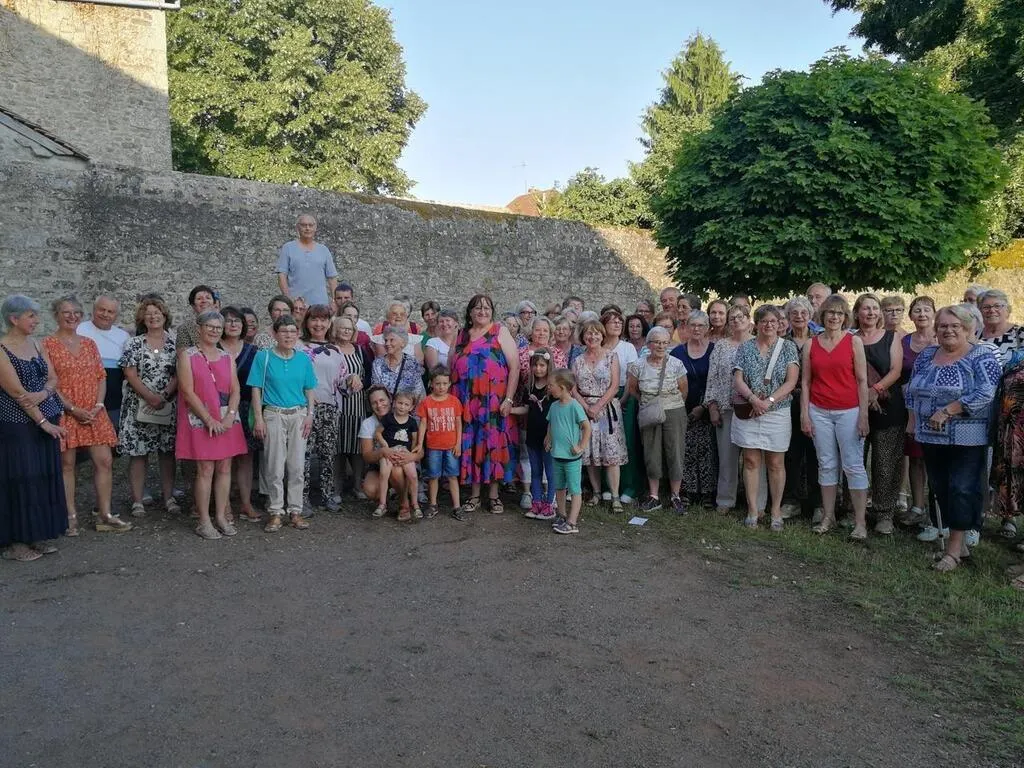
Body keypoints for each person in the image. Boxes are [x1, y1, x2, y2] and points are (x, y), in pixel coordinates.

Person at [906, 306, 1001, 572]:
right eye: (943, 326)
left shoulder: (981, 355)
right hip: (930, 434)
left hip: (967, 436)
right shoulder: (926, 355)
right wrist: (913, 420)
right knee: (940, 488)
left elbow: (986, 392)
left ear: (968, 329)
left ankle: (953, 551)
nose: (948, 330)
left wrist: (949, 410)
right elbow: (912, 389)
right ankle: (959, 545)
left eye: (954, 326)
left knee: (962, 488)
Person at [44, 296, 129, 536]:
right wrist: (72, 408)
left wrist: (98, 405)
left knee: (105, 461)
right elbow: (51, 382)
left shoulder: (89, 343)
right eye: (66, 312)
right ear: (56, 315)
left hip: (94, 410)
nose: (71, 317)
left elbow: (100, 376)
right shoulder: (47, 344)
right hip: (66, 410)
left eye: (75, 313)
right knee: (67, 464)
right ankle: (69, 515)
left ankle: (105, 514)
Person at [0, 295, 68, 561]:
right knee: (21, 480)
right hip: (18, 427)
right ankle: (15, 543)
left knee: (42, 479)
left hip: (47, 418)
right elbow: (17, 393)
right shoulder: (2, 349)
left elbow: (53, 378)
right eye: (30, 316)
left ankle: (36, 535)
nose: (36, 321)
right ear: (13, 319)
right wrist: (43, 422)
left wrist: (44, 393)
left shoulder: (37, 345)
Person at [800, 295, 870, 539]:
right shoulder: (811, 344)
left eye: (840, 314)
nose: (834, 317)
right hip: (819, 410)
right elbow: (806, 382)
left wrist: (864, 416)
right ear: (823, 315)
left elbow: (862, 380)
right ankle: (828, 516)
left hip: (849, 411)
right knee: (827, 463)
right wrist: (804, 414)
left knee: (853, 465)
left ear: (846, 317)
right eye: (830, 312)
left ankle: (860, 522)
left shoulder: (854, 342)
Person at [176, 310, 247, 539]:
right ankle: (204, 520)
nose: (215, 331)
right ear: (199, 329)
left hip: (227, 419)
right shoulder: (187, 355)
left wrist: (229, 416)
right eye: (210, 327)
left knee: (225, 468)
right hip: (202, 419)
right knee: (205, 469)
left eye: (219, 327)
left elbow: (235, 389)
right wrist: (209, 419)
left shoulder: (227, 357)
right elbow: (187, 391)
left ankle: (220, 516)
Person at [731, 305, 800, 531]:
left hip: (777, 412)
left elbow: (791, 382)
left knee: (775, 462)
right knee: (750, 461)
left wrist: (768, 402)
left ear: (779, 323)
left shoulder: (788, 347)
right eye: (764, 321)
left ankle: (776, 510)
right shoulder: (745, 347)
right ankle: (753, 509)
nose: (769, 325)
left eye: (773, 321)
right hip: (750, 410)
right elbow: (738, 378)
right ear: (756, 323)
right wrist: (753, 399)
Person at [450, 294, 519, 514]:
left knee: (492, 445)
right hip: (467, 402)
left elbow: (515, 367)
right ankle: (474, 495)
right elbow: (452, 367)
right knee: (473, 446)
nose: (482, 311)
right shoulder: (461, 335)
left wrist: (508, 399)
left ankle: (494, 496)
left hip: (494, 403)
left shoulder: (500, 331)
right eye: (477, 308)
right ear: (469, 313)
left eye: (487, 308)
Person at [249, 315, 318, 533]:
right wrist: (259, 418)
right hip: (274, 414)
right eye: (284, 331)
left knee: (297, 466)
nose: (288, 335)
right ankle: (276, 511)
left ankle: (295, 511)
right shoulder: (264, 357)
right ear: (275, 334)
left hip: (298, 414)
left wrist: (310, 414)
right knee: (274, 465)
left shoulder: (303, 359)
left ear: (297, 334)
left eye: (292, 331)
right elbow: (256, 388)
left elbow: (309, 388)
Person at [120, 297, 179, 518]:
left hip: (167, 402)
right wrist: (149, 396)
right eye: (149, 313)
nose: (153, 316)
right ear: (142, 318)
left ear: (165, 317)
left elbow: (179, 372)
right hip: (138, 404)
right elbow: (129, 373)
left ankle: (169, 497)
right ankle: (137, 501)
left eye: (158, 313)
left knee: (167, 453)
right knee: (138, 454)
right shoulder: (134, 343)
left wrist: (163, 395)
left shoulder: (175, 342)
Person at [853, 293, 905, 534]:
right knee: (855, 461)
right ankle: (855, 510)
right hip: (855, 407)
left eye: (875, 308)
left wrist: (875, 390)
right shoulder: (850, 339)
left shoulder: (892, 337)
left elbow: (895, 370)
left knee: (885, 462)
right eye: (866, 309)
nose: (871, 313)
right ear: (857, 313)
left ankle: (884, 513)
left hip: (888, 405)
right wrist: (864, 396)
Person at [627, 326, 689, 514]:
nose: (661, 346)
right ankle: (654, 496)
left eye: (664, 342)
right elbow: (632, 389)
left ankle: (675, 495)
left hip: (674, 410)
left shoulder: (676, 364)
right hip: (649, 412)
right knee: (651, 452)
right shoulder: (637, 365)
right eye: (657, 342)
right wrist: (649, 404)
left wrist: (669, 404)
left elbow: (683, 389)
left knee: (675, 452)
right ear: (649, 344)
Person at [704, 303, 757, 515]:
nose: (736, 320)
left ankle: (758, 503)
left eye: (741, 317)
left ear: (749, 320)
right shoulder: (722, 346)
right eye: (733, 317)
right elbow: (712, 377)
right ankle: (725, 500)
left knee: (754, 458)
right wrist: (712, 406)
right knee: (727, 457)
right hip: (726, 407)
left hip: (753, 409)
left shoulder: (758, 345)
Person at [573, 320, 628, 512]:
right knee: (590, 451)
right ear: (583, 337)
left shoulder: (611, 357)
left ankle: (614, 496)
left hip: (605, 412)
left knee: (610, 451)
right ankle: (596, 492)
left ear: (602, 335)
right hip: (585, 411)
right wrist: (586, 407)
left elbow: (614, 386)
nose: (592, 337)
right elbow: (573, 388)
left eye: (596, 333)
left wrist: (597, 406)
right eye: (588, 333)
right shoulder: (578, 360)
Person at [300, 305, 348, 513]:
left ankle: (327, 494)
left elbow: (340, 379)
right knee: (304, 455)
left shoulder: (336, 349)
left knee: (327, 454)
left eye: (323, 320)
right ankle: (301, 499)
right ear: (307, 322)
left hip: (330, 408)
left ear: (329, 323)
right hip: (305, 408)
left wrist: (351, 380)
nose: (318, 324)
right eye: (314, 319)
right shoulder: (298, 347)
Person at [671, 310, 717, 509]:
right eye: (693, 325)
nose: (697, 329)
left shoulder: (715, 350)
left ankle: (708, 492)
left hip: (709, 408)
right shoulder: (677, 352)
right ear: (687, 328)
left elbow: (719, 381)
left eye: (701, 325)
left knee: (708, 451)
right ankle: (687, 489)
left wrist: (704, 406)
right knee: (686, 449)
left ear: (707, 328)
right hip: (683, 408)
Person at [218, 306, 261, 523]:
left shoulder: (252, 352)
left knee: (246, 458)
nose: (233, 324)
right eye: (228, 320)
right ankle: (224, 506)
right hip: (219, 409)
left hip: (245, 407)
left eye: (237, 320)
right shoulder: (213, 348)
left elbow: (257, 386)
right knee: (223, 459)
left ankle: (245, 503)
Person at [782, 296, 821, 519]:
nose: (799, 316)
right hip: (788, 403)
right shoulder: (782, 342)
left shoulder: (819, 340)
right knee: (791, 453)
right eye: (794, 313)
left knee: (816, 453)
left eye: (803, 312)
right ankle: (791, 500)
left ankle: (818, 503)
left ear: (810, 315)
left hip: (816, 401)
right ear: (788, 317)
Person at [358, 386, 422, 518]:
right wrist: (383, 451)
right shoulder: (368, 423)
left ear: (390, 400)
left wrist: (411, 456)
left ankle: (404, 504)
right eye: (374, 402)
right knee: (369, 489)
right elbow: (367, 456)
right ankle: (387, 498)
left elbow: (421, 451)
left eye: (382, 400)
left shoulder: (410, 420)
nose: (379, 405)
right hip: (380, 464)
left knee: (397, 470)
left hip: (403, 461)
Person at [601, 307, 641, 503]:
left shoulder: (628, 348)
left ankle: (629, 486)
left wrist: (622, 400)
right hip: (600, 398)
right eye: (612, 321)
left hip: (625, 396)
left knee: (626, 441)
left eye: (619, 321)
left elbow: (632, 378)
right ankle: (607, 486)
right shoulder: (598, 346)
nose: (617, 324)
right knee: (604, 441)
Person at [511, 349, 556, 521]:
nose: (538, 369)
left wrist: (550, 435)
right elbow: (527, 408)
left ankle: (549, 504)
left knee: (550, 472)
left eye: (542, 365)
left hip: (548, 436)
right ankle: (536, 502)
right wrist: (510, 410)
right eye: (535, 365)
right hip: (532, 435)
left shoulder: (552, 389)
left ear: (548, 365)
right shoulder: (529, 387)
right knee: (535, 471)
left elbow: (556, 413)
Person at [546, 369, 591, 535]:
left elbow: (587, 427)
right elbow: (551, 423)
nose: (549, 388)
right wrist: (548, 438)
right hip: (557, 455)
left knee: (574, 489)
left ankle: (572, 522)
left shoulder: (574, 406)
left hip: (572, 458)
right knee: (559, 487)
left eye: (551, 385)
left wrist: (581, 446)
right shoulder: (554, 406)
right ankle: (562, 515)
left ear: (563, 387)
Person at [332, 315, 371, 499]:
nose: (346, 331)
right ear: (335, 329)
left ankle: (357, 485)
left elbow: (369, 375)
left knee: (357, 448)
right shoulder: (330, 349)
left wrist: (361, 381)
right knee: (338, 447)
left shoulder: (360, 350)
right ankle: (336, 488)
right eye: (343, 328)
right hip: (338, 404)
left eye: (349, 328)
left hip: (357, 405)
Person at [416, 367, 463, 519]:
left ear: (449, 384)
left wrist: (458, 444)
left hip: (451, 446)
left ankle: (457, 506)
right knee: (433, 476)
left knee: (452, 476)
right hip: (433, 447)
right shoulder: (426, 402)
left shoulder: (454, 401)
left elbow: (458, 423)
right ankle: (433, 504)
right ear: (431, 384)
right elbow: (423, 424)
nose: (441, 387)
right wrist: (419, 443)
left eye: (444, 383)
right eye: (438, 383)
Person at [76, 295, 130, 428]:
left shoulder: (123, 337)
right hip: (80, 402)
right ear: (93, 310)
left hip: (112, 404)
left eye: (110, 312)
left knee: (111, 442)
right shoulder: (78, 330)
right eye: (102, 310)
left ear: (116, 315)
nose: (105, 314)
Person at [277, 213, 337, 306]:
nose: (307, 228)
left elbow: (332, 278)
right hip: (297, 305)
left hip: (320, 305)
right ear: (297, 228)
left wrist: (334, 301)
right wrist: (288, 299)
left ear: (315, 228)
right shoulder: (288, 248)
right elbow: (282, 275)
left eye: (311, 225)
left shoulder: (323, 250)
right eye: (304, 225)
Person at [371, 327, 426, 401]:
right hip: (385, 409)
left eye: (392, 340)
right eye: (386, 340)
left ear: (403, 343)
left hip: (406, 409)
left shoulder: (412, 363)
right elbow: (376, 389)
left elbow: (418, 391)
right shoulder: (378, 364)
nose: (387, 343)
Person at [979, 289, 1024, 366]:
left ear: (1007, 310)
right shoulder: (974, 335)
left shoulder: (1020, 334)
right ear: (980, 311)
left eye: (997, 306)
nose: (992, 310)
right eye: (986, 307)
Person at [174, 285, 216, 352]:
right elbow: (182, 355)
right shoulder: (185, 329)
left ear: (214, 304)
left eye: (208, 298)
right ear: (193, 305)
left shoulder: (224, 326)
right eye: (199, 299)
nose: (204, 301)